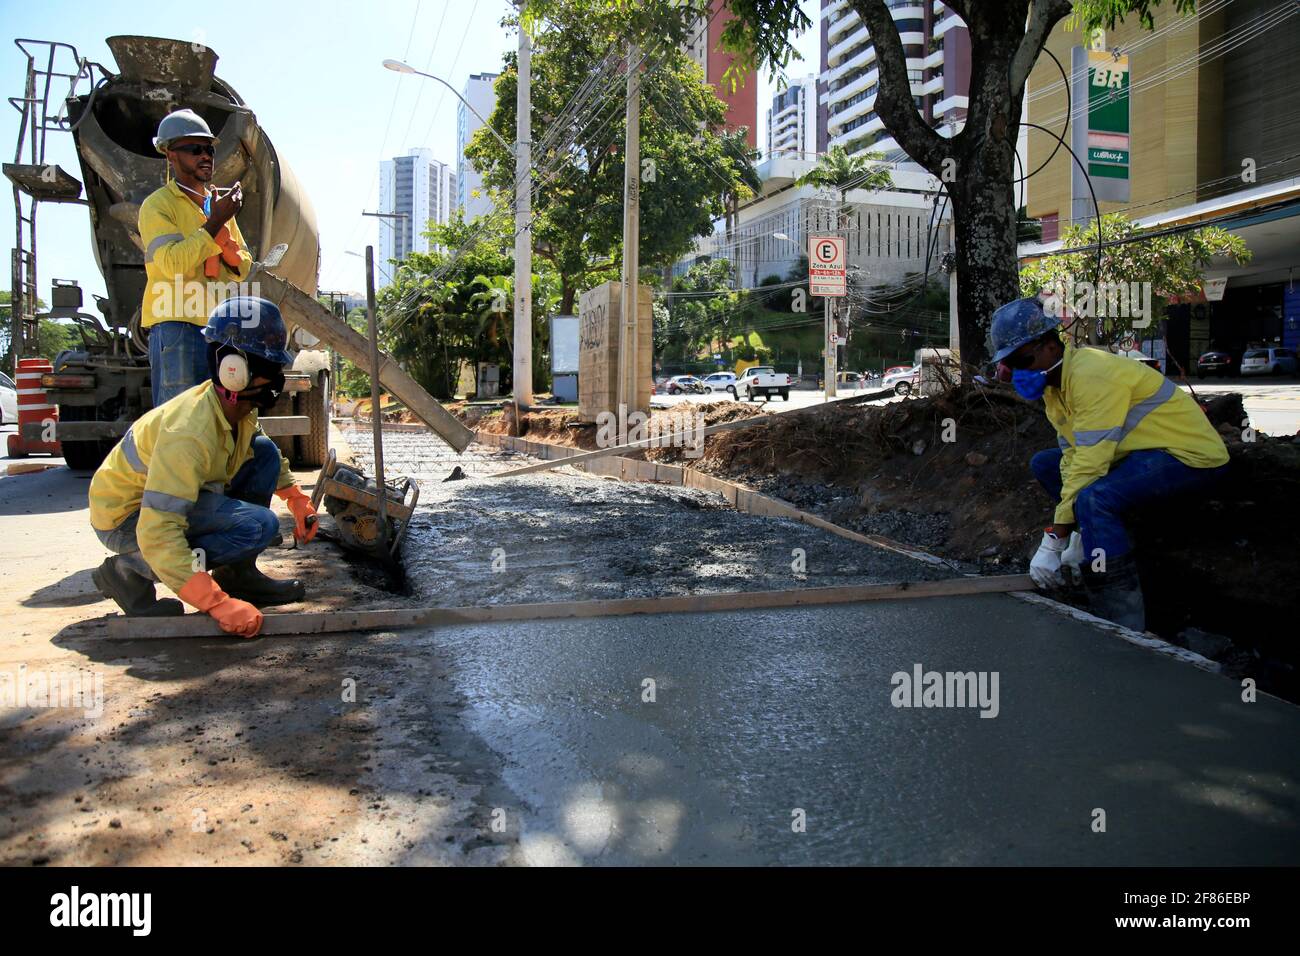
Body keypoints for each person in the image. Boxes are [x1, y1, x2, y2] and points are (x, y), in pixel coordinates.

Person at [989, 296, 1230, 629]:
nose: (1017, 372)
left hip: (1187, 456)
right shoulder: (1054, 388)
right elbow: (1072, 454)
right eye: (1010, 365)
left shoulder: (1091, 375)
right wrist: (1077, 534)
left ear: (1048, 347)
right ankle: (1100, 538)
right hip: (1138, 452)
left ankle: (1121, 618)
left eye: (1022, 360)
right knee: (1045, 464)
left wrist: (1055, 538)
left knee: (1095, 497)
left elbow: (1090, 462)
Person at [89, 297, 320, 637]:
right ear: (233, 370)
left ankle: (237, 575)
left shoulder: (235, 407)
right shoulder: (188, 432)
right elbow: (158, 530)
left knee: (263, 452)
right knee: (257, 526)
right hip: (129, 518)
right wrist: (215, 603)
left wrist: (296, 498)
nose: (275, 380)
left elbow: (261, 447)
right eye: (268, 368)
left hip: (163, 503)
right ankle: (128, 571)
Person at [139, 108, 253, 405]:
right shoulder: (158, 207)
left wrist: (223, 235)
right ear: (170, 154)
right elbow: (173, 263)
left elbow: (244, 267)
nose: (206, 156)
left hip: (218, 330)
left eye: (209, 149)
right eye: (194, 149)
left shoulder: (216, 205)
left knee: (216, 423)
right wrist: (215, 223)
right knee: (181, 422)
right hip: (176, 327)